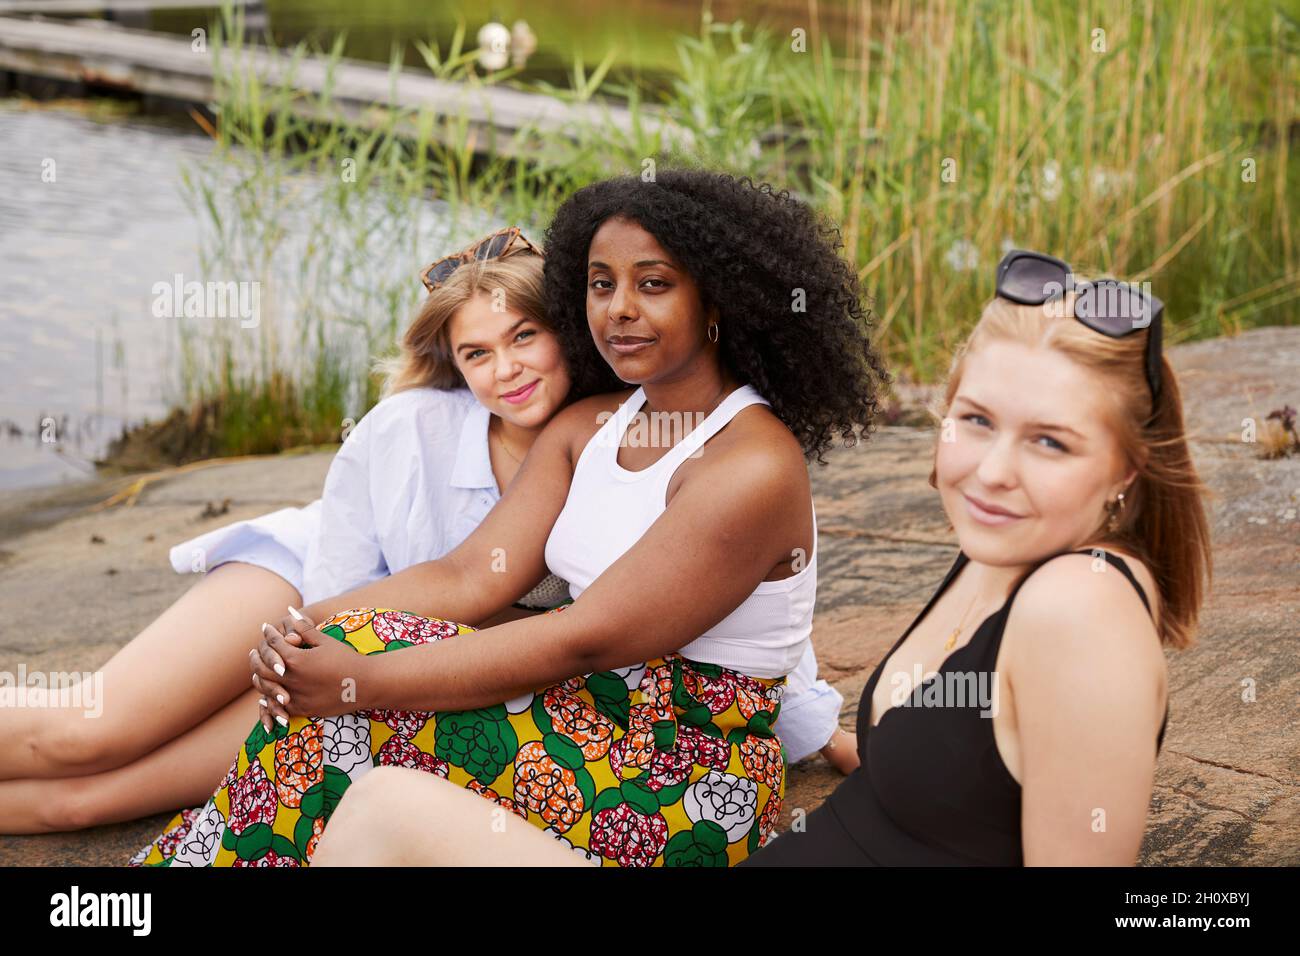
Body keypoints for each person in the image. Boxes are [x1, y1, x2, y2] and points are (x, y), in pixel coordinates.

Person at [308, 250, 1212, 868]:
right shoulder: (1002, 553)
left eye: (1050, 443)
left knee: (386, 804)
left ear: (1128, 467)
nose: (993, 471)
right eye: (975, 422)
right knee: (384, 800)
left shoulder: (1080, 608)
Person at [129, 168, 890, 866]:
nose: (619, 309)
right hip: (588, 720)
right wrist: (307, 630)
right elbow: (465, 578)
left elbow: (582, 638)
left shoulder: (750, 465)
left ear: (717, 298)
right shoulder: (593, 425)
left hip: (681, 775)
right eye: (599, 285)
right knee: (356, 643)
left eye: (652, 284)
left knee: (353, 714)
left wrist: (362, 682)